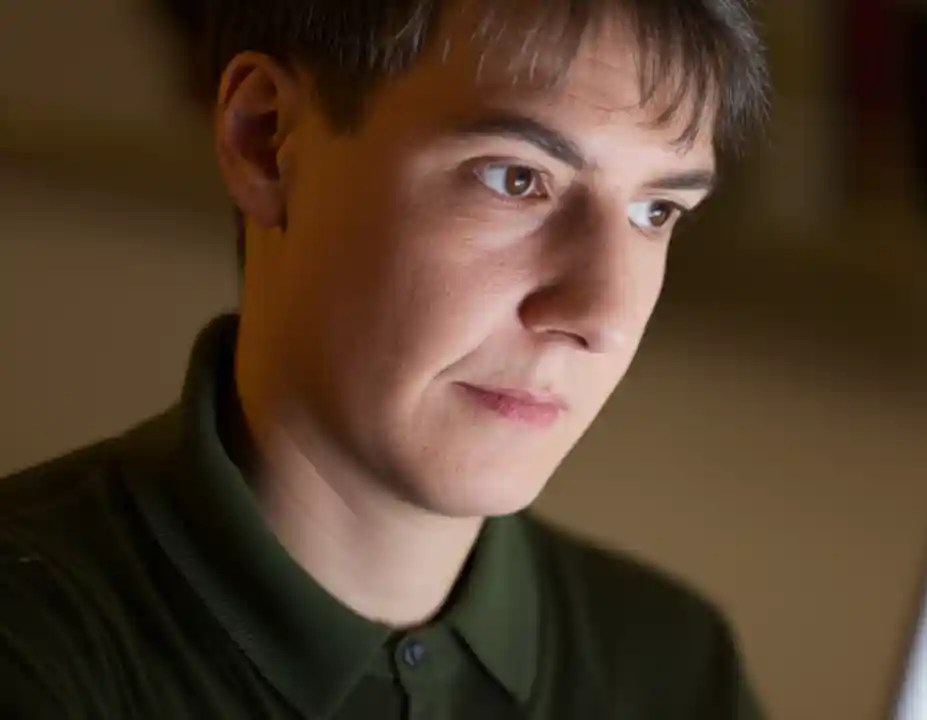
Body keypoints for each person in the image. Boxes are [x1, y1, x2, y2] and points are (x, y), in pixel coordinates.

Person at [0, 0, 770, 717]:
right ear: (265, 142)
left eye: (655, 211)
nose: (600, 315)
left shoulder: (674, 667)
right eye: (516, 178)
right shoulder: (36, 645)